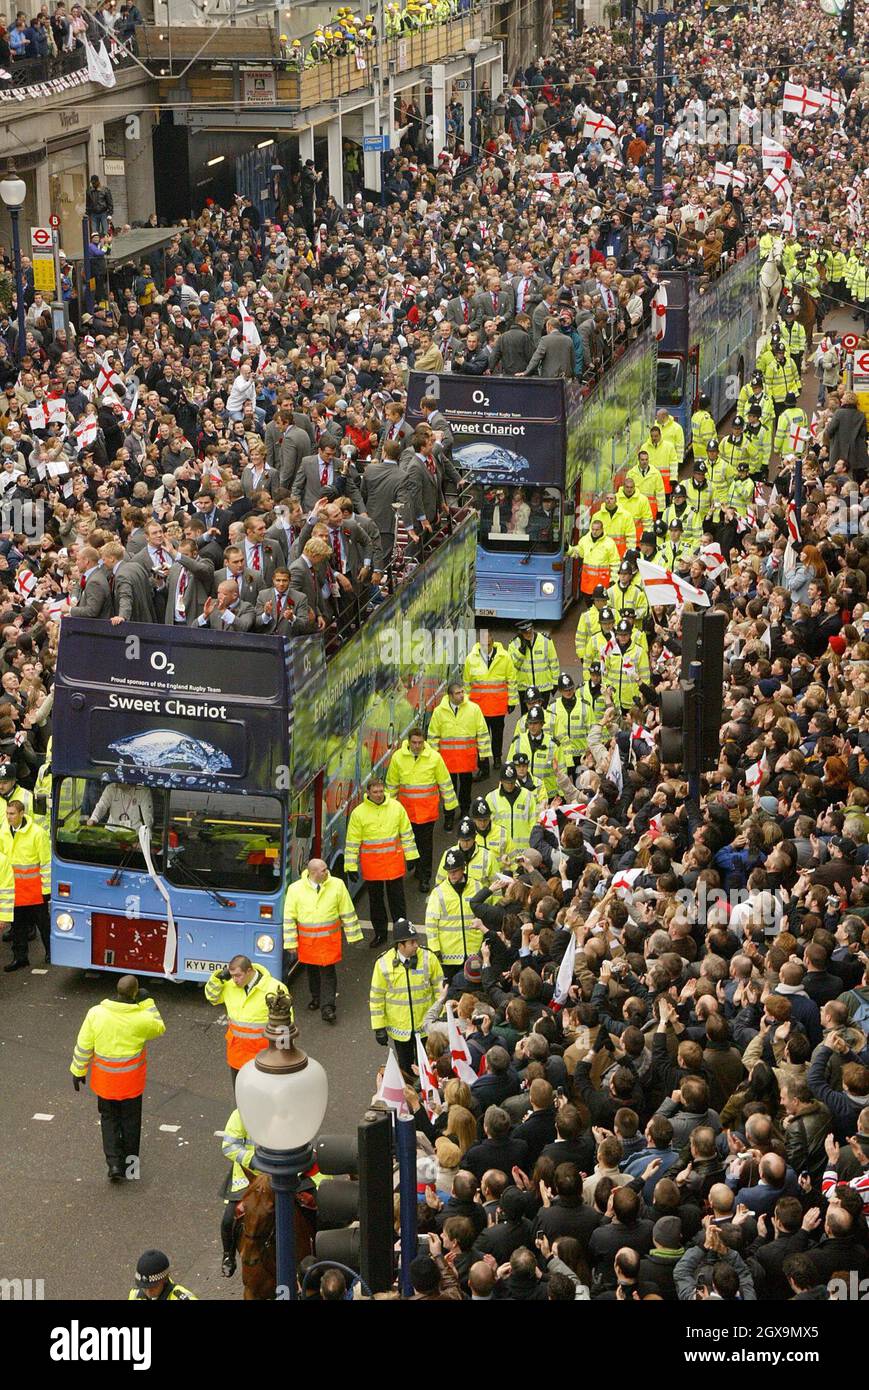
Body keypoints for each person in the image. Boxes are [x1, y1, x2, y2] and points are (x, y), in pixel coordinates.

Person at [70, 974, 166, 1181]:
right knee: (131, 1124)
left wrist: (78, 1071)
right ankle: (131, 1169)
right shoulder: (141, 1018)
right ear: (135, 992)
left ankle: (114, 1165)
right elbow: (159, 1026)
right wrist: (148, 1002)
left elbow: (84, 1044)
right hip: (131, 1083)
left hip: (105, 1083)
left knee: (109, 1121)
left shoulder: (96, 1013)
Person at [282, 857, 362, 1023]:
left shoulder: (337, 885)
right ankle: (316, 997)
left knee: (327, 973)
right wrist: (290, 943)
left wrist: (353, 935)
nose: (327, 872)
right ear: (313, 873)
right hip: (308, 942)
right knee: (312, 971)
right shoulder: (295, 889)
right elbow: (289, 918)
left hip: (327, 941)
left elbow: (347, 910)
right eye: (323, 870)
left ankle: (327, 1007)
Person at [344, 775, 418, 947]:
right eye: (375, 791)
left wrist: (411, 856)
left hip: (393, 864)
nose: (378, 794)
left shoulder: (396, 808)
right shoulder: (359, 813)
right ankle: (380, 934)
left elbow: (407, 834)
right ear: (368, 793)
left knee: (397, 903)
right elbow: (352, 842)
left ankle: (402, 935)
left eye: (380, 791)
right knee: (376, 903)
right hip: (373, 866)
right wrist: (351, 866)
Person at [385, 726, 457, 894]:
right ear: (408, 742)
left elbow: (445, 782)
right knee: (410, 842)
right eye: (414, 743)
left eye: (420, 742)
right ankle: (416, 866)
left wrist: (450, 808)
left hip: (427, 812)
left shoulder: (434, 758)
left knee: (425, 846)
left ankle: (425, 877)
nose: (417, 746)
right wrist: (388, 809)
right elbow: (392, 784)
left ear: (424, 742)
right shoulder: (398, 758)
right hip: (406, 812)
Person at [204, 952, 290, 1090]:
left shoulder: (274, 989)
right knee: (241, 1096)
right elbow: (212, 997)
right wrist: (218, 978)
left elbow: (286, 1025)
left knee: (264, 1096)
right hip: (237, 1055)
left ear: (249, 971)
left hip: (263, 1058)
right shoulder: (229, 986)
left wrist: (284, 1058)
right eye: (231, 976)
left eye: (238, 975)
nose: (235, 980)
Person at [369, 918, 444, 1074]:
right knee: (406, 1068)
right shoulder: (383, 964)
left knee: (430, 1067)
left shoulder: (428, 958)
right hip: (401, 1029)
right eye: (412, 942)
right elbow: (377, 997)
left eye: (416, 941)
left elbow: (440, 990)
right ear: (400, 945)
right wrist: (378, 1027)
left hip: (426, 1026)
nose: (416, 945)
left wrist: (441, 1017)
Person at [427, 681, 492, 820]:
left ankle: (464, 810)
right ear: (450, 695)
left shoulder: (473, 709)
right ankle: (449, 815)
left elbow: (482, 731)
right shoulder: (439, 712)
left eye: (462, 692)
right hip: (446, 760)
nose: (462, 695)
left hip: (466, 758)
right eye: (458, 693)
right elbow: (433, 736)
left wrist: (484, 754)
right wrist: (433, 758)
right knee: (448, 789)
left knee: (465, 787)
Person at [1, 799, 50, 971]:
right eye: (7, 813)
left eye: (12, 813)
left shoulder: (37, 833)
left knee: (44, 925)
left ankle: (51, 953)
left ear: (22, 813)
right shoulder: (4, 831)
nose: (9, 817)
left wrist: (47, 889)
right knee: (18, 928)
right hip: (15, 890)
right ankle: (20, 957)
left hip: (35, 890)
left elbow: (46, 863)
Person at [128, 1250, 197, 1301]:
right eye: (144, 1287)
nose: (148, 1292)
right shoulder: (134, 1295)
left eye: (153, 1287)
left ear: (165, 1280)